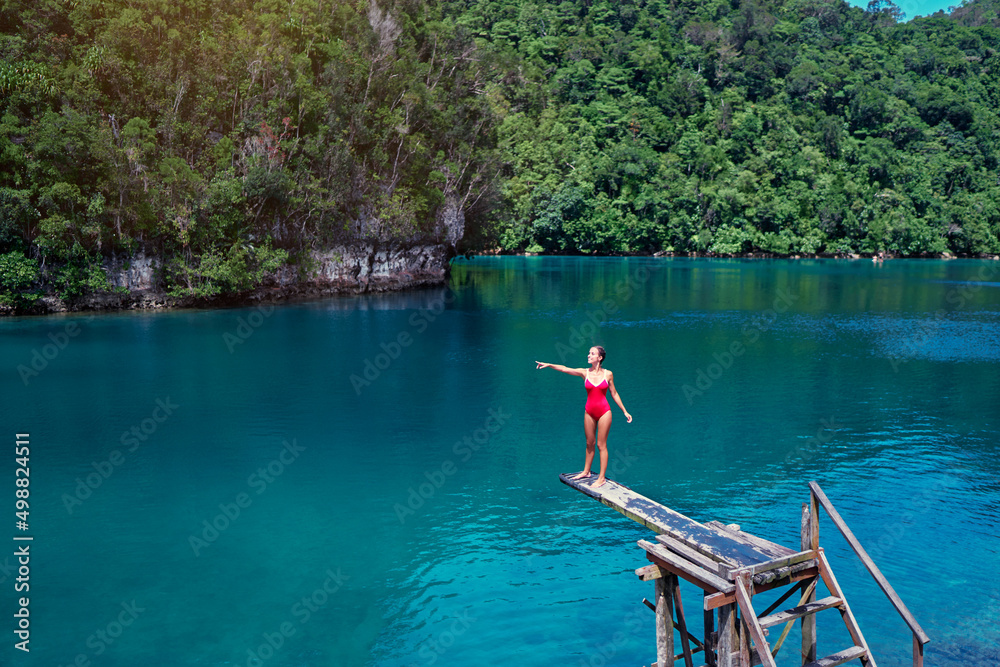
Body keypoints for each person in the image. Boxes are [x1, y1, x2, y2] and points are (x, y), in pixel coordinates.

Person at [536, 346, 632, 488]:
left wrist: (625, 411)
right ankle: (586, 471)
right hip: (589, 412)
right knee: (589, 443)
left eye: (592, 353)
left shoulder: (608, 374)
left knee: (601, 445)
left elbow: (614, 393)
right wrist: (550, 365)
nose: (588, 355)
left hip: (605, 411)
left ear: (599, 358)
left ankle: (601, 478)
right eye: (588, 353)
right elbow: (564, 368)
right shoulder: (584, 372)